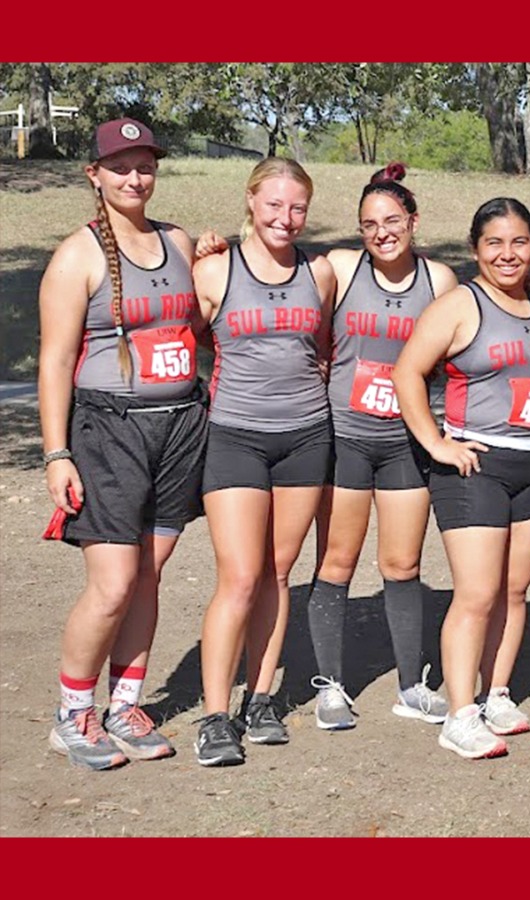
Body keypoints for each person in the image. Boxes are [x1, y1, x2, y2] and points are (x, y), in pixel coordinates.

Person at [37, 118, 203, 770]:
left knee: (149, 575)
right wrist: (56, 454)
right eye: (120, 166)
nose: (135, 178)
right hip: (109, 430)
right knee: (113, 583)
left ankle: (125, 704)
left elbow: (200, 317)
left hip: (182, 425)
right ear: (95, 174)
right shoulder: (75, 256)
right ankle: (72, 714)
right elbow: (54, 362)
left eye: (145, 165)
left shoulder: (180, 241)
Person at [393, 198, 530, 759]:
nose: (507, 254)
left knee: (515, 591)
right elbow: (407, 372)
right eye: (494, 243)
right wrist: (436, 442)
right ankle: (460, 714)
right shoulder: (461, 304)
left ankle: (497, 694)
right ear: (475, 249)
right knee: (478, 592)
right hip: (476, 466)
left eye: (518, 243)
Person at [191, 157, 337, 766]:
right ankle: (214, 715)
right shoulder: (214, 268)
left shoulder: (321, 271)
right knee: (241, 576)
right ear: (250, 202)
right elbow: (192, 339)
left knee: (279, 573)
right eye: (274, 204)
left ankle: (261, 697)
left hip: (306, 435)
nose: (286, 218)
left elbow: (322, 346)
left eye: (297, 207)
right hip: (235, 436)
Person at [303, 163, 458, 731]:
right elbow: (285, 272)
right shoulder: (343, 268)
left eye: (392, 220)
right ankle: (331, 686)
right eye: (369, 223)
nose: (381, 232)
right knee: (337, 562)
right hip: (345, 438)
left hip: (404, 443)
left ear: (413, 222)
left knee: (402, 563)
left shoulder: (438, 280)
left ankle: (411, 685)